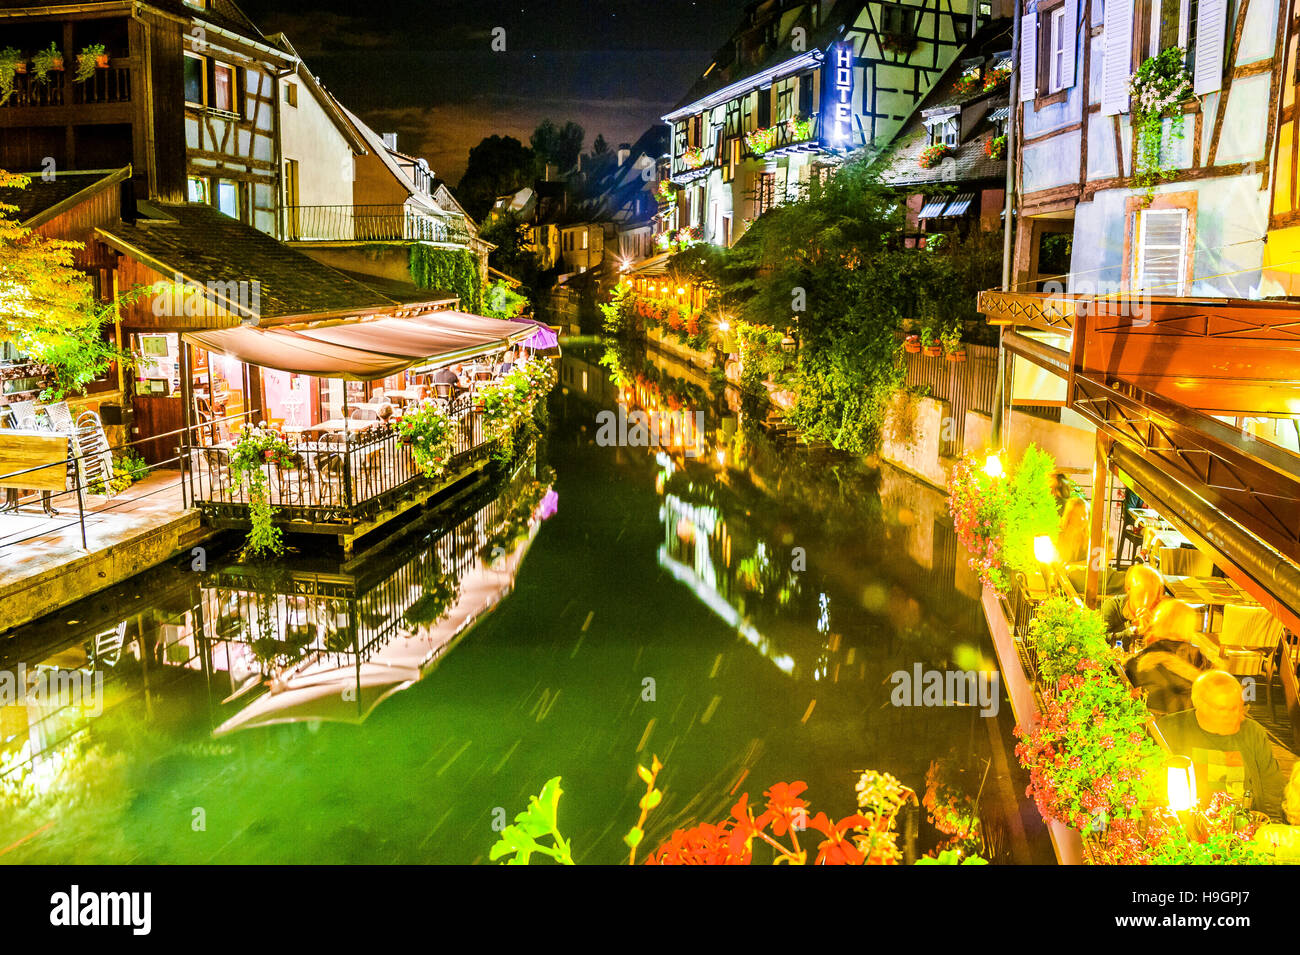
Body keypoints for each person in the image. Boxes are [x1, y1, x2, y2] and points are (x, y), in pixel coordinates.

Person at [1157, 670, 1286, 819]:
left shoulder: (1252, 731)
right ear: (1201, 705)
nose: (1237, 714)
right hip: (1187, 826)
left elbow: (1273, 787)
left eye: (1239, 706)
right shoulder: (1171, 729)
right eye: (1225, 709)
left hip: (1243, 828)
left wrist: (1273, 826)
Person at [1124, 599, 1215, 716]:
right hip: (1189, 728)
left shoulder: (1138, 660)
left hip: (1148, 727)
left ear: (1159, 622)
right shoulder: (1203, 661)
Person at [1100, 564, 1164, 646]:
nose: (1146, 600)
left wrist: (1152, 631)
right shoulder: (1112, 606)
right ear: (1128, 589)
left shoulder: (1160, 612)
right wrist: (1133, 632)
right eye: (1141, 594)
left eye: (1152, 595)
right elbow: (1101, 639)